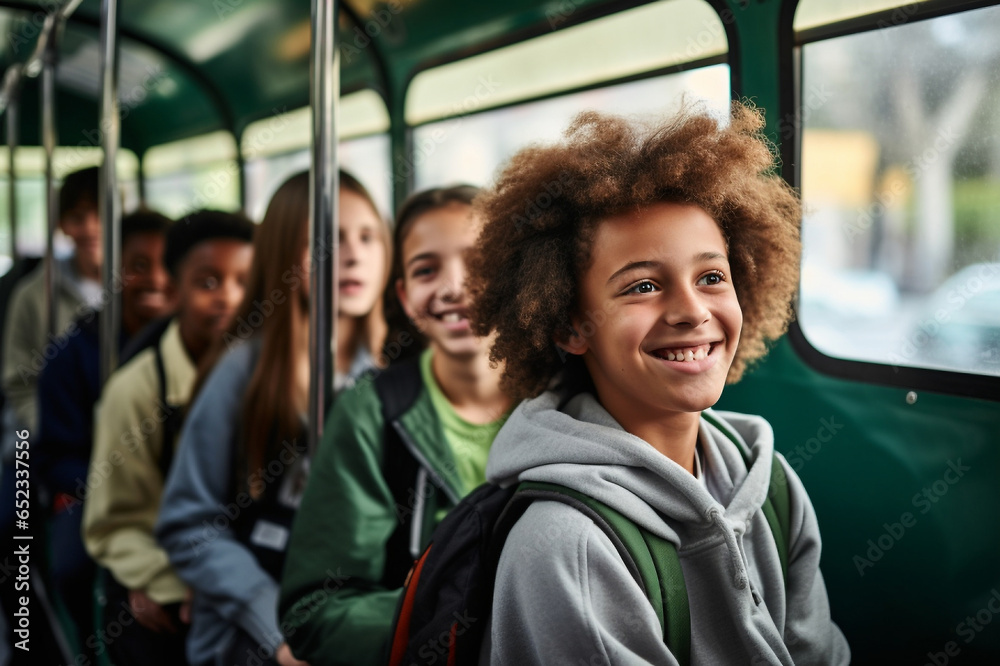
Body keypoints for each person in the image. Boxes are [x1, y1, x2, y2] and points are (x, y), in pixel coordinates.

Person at [467, 105, 851, 664]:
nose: (692, 311)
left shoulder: (774, 491)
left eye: (712, 277)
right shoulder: (565, 545)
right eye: (643, 285)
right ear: (572, 324)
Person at [156, 170, 390, 666]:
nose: (352, 254)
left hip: (359, 611)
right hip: (253, 628)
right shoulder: (244, 370)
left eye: (367, 236)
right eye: (327, 240)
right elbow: (189, 523)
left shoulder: (395, 369)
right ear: (285, 255)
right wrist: (273, 626)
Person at [278, 185, 513, 666]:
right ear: (406, 297)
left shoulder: (569, 395)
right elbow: (316, 609)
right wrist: (464, 619)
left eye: (477, 262)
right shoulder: (370, 412)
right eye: (427, 270)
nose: (453, 286)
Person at [82, 210, 255, 666]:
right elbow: (117, 521)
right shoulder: (137, 391)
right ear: (175, 290)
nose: (230, 299)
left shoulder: (272, 376)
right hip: (169, 570)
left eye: (245, 282)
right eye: (209, 283)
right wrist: (166, 581)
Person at [36, 208, 174, 663]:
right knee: (73, 564)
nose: (155, 279)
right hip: (93, 492)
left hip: (177, 497)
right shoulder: (71, 356)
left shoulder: (195, 345)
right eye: (138, 266)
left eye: (165, 265)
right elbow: (58, 452)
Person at [2, 166, 102, 437]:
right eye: (77, 217)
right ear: (62, 224)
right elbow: (18, 384)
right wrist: (55, 432)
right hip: (36, 440)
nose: (91, 228)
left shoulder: (137, 292)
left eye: (101, 214)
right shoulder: (32, 295)